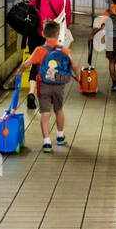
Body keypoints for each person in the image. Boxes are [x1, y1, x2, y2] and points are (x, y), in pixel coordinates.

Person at [26, 0, 74, 109]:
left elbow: (30, 6)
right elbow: (68, 21)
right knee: (52, 65)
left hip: (36, 35)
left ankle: (31, 93)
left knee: (36, 64)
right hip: (52, 38)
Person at [28, 20, 73, 153]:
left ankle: (47, 142)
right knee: (58, 110)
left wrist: (19, 71)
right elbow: (73, 65)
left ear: (43, 33)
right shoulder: (63, 50)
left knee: (45, 113)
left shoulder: (39, 50)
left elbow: (27, 63)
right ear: (58, 34)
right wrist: (78, 77)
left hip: (44, 85)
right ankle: (60, 136)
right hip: (59, 85)